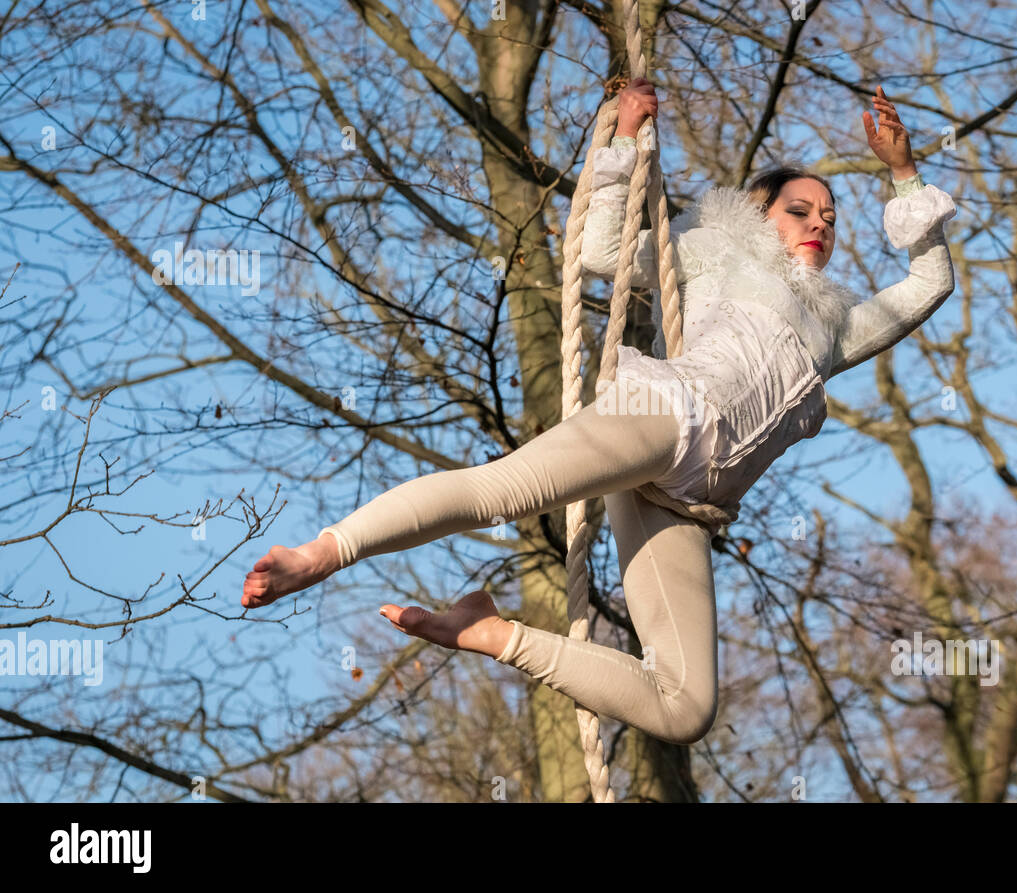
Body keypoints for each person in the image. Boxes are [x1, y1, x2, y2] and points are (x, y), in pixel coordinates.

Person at [241, 81, 956, 746]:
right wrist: (620, 140)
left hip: (692, 499)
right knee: (504, 491)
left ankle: (492, 633)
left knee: (686, 709)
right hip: (669, 417)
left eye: (830, 217)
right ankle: (320, 553)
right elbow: (602, 249)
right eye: (798, 210)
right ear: (756, 216)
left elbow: (931, 281)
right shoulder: (713, 252)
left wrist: (902, 172)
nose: (819, 224)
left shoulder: (835, 330)